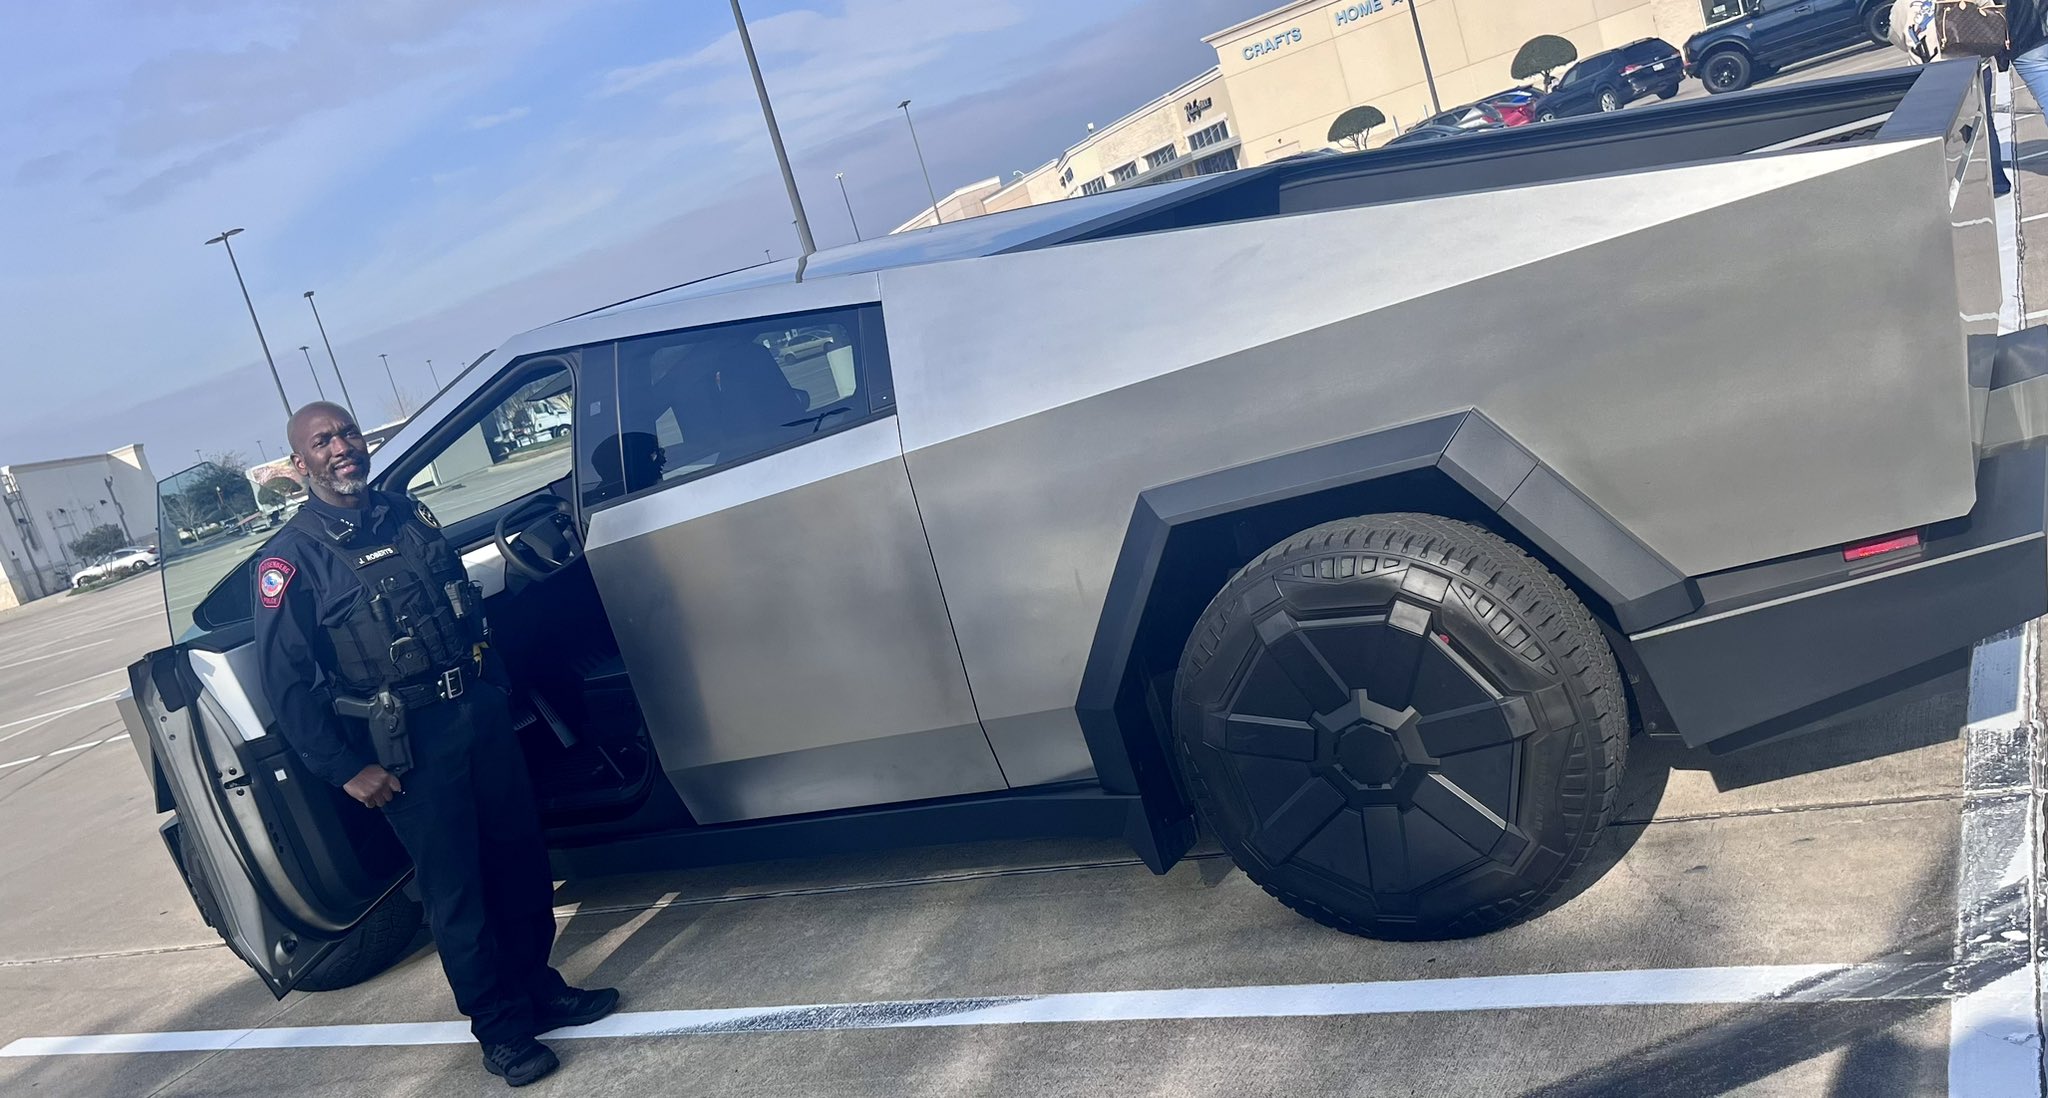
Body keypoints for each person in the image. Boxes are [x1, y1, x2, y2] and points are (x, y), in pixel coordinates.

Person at [252, 402, 619, 1087]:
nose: (342, 447)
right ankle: (501, 1030)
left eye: (348, 433)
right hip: (406, 744)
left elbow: (460, 604)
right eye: (323, 441)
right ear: (300, 464)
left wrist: (494, 690)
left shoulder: (406, 514)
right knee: (457, 891)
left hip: (476, 715)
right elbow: (287, 685)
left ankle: (538, 988)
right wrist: (346, 768)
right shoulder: (290, 561)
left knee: (520, 862)